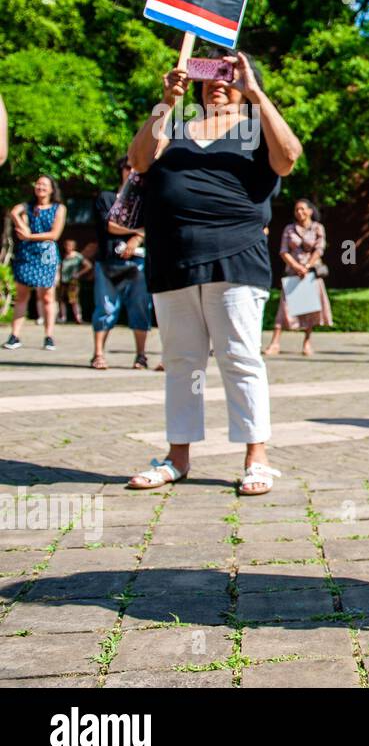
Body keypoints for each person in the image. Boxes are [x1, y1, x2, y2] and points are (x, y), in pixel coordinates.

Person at [123, 49, 302, 497]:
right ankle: (177, 458)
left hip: (235, 257)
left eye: (227, 75)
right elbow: (139, 160)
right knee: (182, 362)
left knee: (240, 358)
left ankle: (256, 458)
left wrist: (254, 91)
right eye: (208, 76)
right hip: (172, 258)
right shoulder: (176, 128)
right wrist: (164, 102)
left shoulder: (255, 127)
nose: (217, 83)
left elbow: (289, 158)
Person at [91, 157, 153, 370]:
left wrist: (136, 239)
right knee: (106, 307)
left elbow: (149, 228)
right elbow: (110, 225)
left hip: (138, 262)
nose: (132, 172)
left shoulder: (146, 200)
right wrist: (137, 231)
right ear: (121, 171)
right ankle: (98, 354)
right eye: (128, 168)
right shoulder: (106, 197)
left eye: (137, 169)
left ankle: (141, 355)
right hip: (108, 262)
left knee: (141, 307)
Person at [5, 175, 66, 351]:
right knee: (22, 296)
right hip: (27, 254)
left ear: (52, 189)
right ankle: (14, 335)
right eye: (38, 184)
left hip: (47, 256)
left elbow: (54, 235)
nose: (40, 187)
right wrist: (18, 220)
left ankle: (49, 336)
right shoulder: (27, 207)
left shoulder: (58, 208)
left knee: (47, 296)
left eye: (44, 185)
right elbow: (17, 218)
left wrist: (29, 236)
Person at [265, 198, 332, 356]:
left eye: (302, 209)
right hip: (293, 271)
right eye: (296, 210)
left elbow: (319, 249)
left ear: (310, 211)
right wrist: (296, 266)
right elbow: (283, 251)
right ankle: (275, 343)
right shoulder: (289, 229)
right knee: (284, 308)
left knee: (310, 308)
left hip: (311, 273)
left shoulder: (317, 228)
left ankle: (307, 343)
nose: (299, 212)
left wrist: (307, 266)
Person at [58, 239, 89, 324]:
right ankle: (63, 317)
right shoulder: (63, 256)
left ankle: (78, 318)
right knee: (62, 299)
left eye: (70, 245)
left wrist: (79, 274)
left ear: (74, 247)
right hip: (63, 280)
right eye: (67, 245)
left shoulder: (77, 256)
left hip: (73, 281)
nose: (68, 247)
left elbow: (88, 266)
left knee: (74, 300)